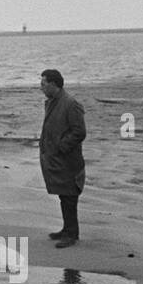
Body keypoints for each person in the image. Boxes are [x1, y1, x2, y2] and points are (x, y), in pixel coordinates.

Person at [39, 69, 86, 248]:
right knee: (63, 195)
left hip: (68, 160)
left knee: (69, 196)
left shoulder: (70, 103)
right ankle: (66, 229)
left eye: (43, 84)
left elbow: (79, 132)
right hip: (57, 159)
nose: (41, 87)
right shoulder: (52, 102)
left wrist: (61, 147)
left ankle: (72, 234)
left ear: (53, 84)